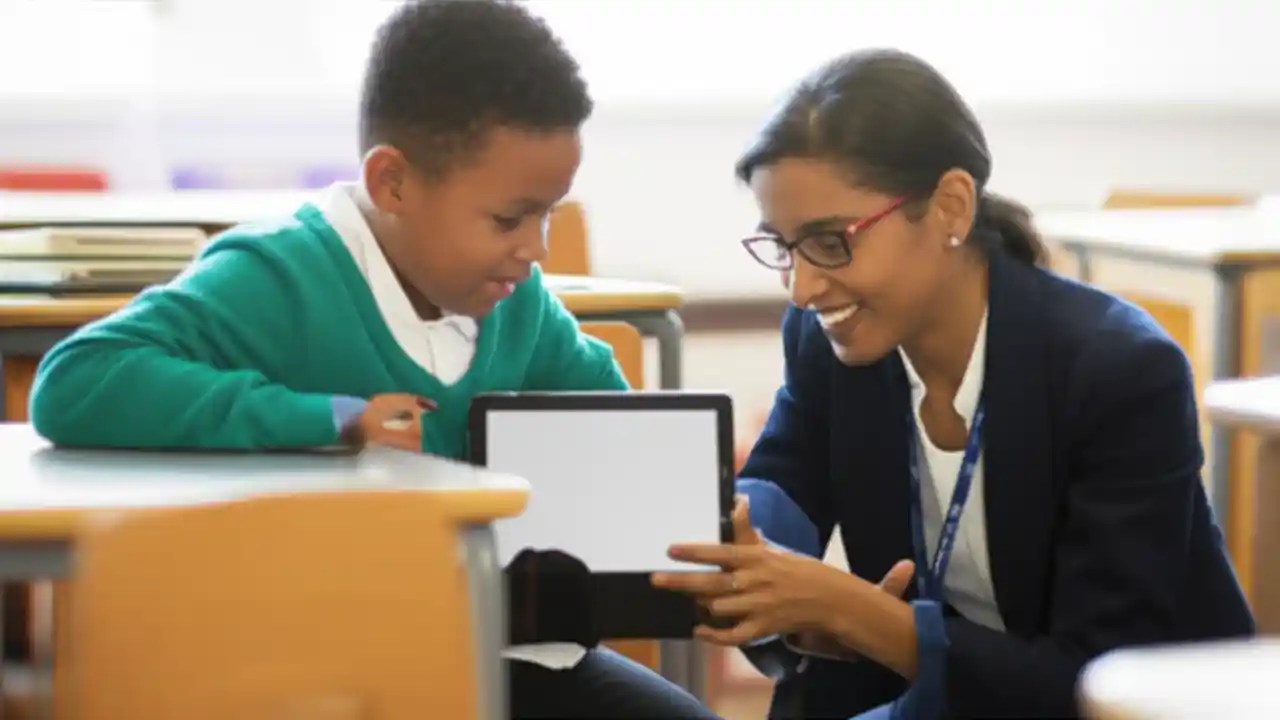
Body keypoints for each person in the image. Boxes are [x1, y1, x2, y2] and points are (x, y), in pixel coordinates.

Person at [29, 2, 713, 718]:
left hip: (499, 651)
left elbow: (612, 418)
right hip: (308, 659)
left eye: (549, 214)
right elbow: (78, 380)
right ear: (392, 183)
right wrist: (326, 420)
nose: (537, 247)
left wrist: (695, 505)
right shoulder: (275, 277)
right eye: (510, 219)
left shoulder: (519, 302)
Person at [653, 48, 1255, 718]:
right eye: (783, 247)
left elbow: (1097, 678)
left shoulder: (1119, 370)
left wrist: (854, 612)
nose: (801, 288)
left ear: (950, 207)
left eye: (830, 241)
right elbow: (781, 491)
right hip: (940, 692)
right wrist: (754, 570)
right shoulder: (829, 343)